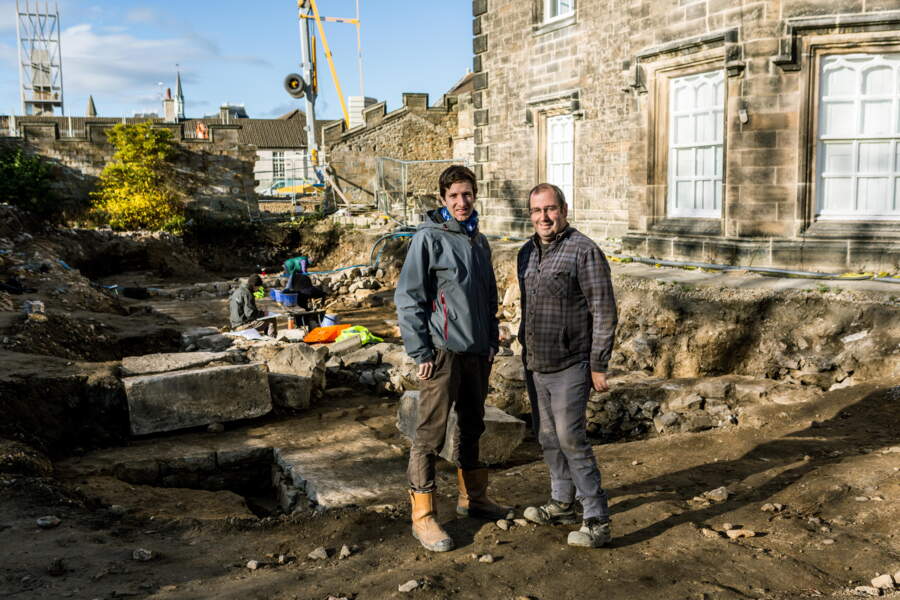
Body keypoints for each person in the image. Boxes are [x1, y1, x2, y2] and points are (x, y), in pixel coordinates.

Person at [395, 165, 509, 553]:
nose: (462, 202)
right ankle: (424, 517)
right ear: (442, 199)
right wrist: (420, 350)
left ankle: (472, 498)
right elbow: (409, 297)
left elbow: (489, 295)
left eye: (468, 195)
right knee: (429, 434)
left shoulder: (480, 241)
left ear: (475, 197)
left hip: (477, 351)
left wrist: (491, 340)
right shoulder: (429, 239)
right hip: (442, 352)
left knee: (473, 425)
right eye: (454, 196)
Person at [518, 183, 618, 548]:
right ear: (530, 215)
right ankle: (562, 502)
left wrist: (598, 364)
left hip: (571, 364)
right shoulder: (525, 253)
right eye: (536, 211)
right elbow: (529, 307)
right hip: (535, 363)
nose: (543, 217)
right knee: (546, 438)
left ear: (563, 209)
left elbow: (604, 311)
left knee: (571, 439)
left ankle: (596, 518)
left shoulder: (584, 251)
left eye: (550, 209)